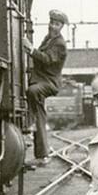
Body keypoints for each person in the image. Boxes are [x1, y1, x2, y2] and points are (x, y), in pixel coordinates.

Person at [25, 9, 68, 160]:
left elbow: (47, 59)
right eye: (51, 23)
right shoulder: (48, 39)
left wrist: (31, 49)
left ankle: (30, 122)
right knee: (40, 116)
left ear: (61, 26)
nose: (52, 26)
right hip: (41, 79)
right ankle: (42, 154)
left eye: (56, 24)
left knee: (32, 91)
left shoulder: (59, 44)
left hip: (49, 83)